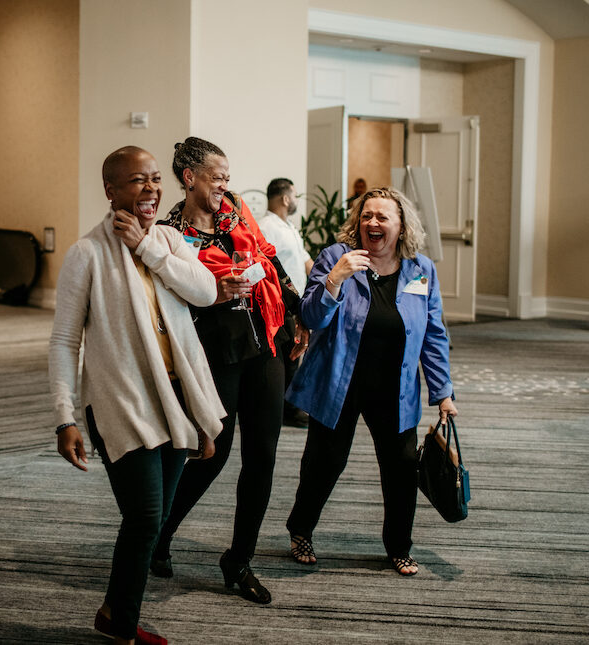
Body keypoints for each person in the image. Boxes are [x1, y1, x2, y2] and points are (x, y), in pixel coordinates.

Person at [49, 146, 225, 645]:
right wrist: (65, 417)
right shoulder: (87, 253)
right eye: (137, 180)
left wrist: (147, 247)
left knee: (155, 517)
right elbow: (64, 341)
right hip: (121, 402)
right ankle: (122, 626)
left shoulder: (166, 238)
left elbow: (206, 291)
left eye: (155, 179)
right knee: (146, 517)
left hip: (175, 399)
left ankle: (114, 612)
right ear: (111, 191)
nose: (150, 189)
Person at [152, 136, 308, 604]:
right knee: (211, 455)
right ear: (190, 178)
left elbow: (269, 259)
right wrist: (215, 290)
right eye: (217, 177)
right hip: (214, 353)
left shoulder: (236, 210)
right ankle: (159, 533)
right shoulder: (169, 233)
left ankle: (239, 560)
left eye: (226, 177)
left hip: (265, 345)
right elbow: (169, 299)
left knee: (263, 457)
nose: (224, 185)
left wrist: (297, 311)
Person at [285, 186, 457, 576]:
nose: (372, 222)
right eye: (366, 215)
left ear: (401, 226)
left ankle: (399, 546)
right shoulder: (336, 257)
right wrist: (336, 278)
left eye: (382, 217)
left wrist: (443, 392)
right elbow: (310, 318)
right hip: (339, 384)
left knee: (401, 468)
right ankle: (301, 530)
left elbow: (432, 335)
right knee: (324, 464)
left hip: (395, 387)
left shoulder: (420, 270)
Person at [258, 178, 314, 427]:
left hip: (295, 304)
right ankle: (283, 409)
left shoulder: (289, 227)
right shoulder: (266, 227)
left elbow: (304, 259)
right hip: (278, 304)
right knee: (285, 358)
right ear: (285, 198)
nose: (296, 201)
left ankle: (288, 407)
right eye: (295, 196)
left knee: (293, 357)